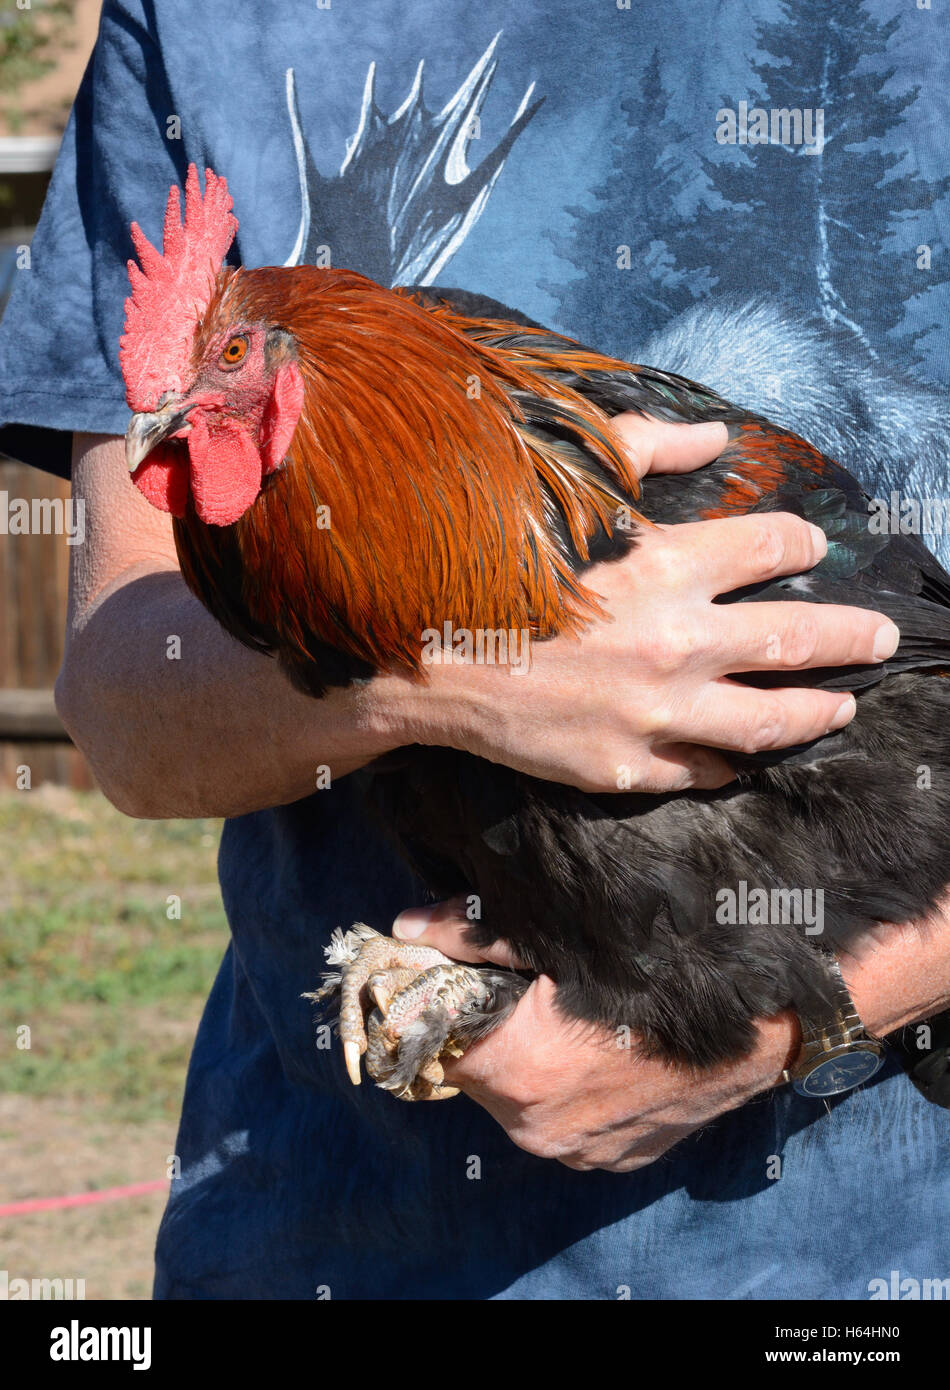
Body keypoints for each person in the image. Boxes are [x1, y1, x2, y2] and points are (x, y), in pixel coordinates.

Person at [2, 0, 948, 1299]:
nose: (166, 406)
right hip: (339, 1235)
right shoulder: (192, 22)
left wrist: (805, 1015)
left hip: (875, 1261)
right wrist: (461, 671)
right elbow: (124, 697)